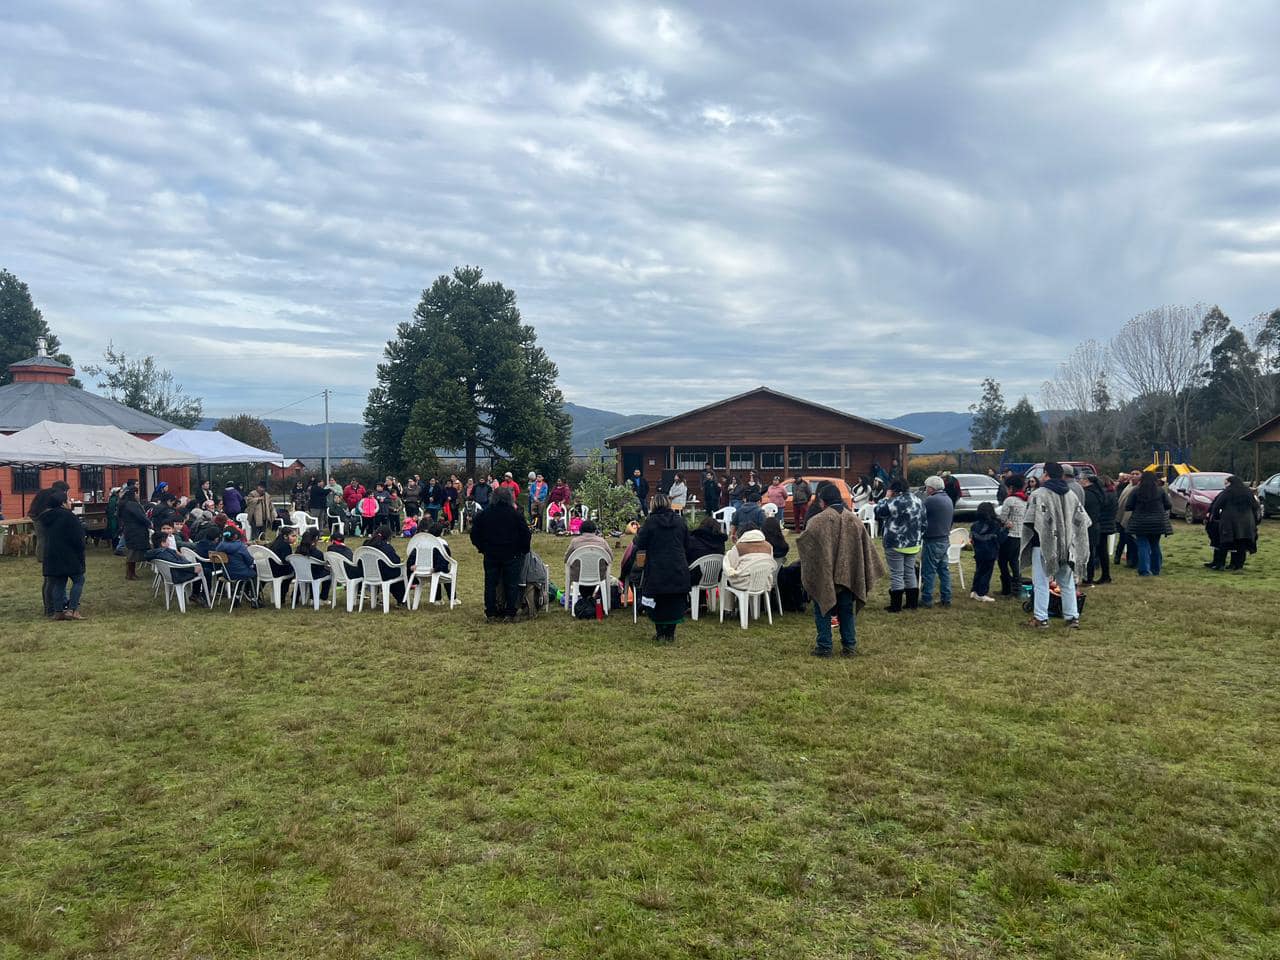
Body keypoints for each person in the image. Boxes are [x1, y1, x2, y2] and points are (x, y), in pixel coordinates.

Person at [798, 483, 885, 657]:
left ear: (822, 502)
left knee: (823, 608)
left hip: (824, 574)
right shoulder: (854, 520)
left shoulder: (816, 522)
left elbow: (804, 544)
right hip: (849, 576)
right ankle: (849, 646)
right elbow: (865, 548)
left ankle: (824, 647)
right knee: (846, 610)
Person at [1019, 461, 1090, 628]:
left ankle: (1041, 618)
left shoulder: (1039, 494)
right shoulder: (1071, 495)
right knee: (1066, 582)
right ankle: (1072, 617)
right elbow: (1081, 520)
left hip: (1043, 545)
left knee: (1041, 582)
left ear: (1046, 474)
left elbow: (1030, 521)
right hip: (1066, 546)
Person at [629, 494, 691, 641]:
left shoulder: (650, 523)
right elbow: (688, 543)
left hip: (657, 569)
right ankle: (670, 633)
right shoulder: (680, 521)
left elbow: (640, 543)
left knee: (657, 601)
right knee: (675, 601)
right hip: (678, 567)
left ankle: (660, 633)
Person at [469, 487, 531, 621]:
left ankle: (491, 612)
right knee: (512, 584)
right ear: (510, 498)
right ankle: (510, 613)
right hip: (512, 554)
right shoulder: (515, 515)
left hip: (491, 553)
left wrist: (482, 548)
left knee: (490, 583)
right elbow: (526, 534)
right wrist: (523, 550)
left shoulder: (485, 514)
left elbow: (474, 534)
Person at [874, 478, 925, 612]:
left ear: (894, 490)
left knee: (897, 573)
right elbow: (924, 522)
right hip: (913, 543)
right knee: (909, 572)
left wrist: (885, 497)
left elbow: (878, 511)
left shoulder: (894, 501)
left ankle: (895, 605)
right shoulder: (918, 500)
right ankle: (911, 603)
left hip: (895, 542)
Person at [37, 491, 87, 620]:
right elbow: (78, 537)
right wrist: (81, 550)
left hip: (52, 554)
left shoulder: (46, 518)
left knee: (59, 582)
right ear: (63, 503)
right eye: (68, 500)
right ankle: (72, 609)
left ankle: (58, 611)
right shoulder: (69, 517)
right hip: (70, 554)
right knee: (79, 580)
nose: (70, 503)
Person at [28, 480, 72, 614]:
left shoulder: (38, 513)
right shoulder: (48, 516)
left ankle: (51, 606)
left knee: (49, 579)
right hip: (50, 548)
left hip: (42, 547)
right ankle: (50, 607)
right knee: (52, 580)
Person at [1205, 475, 1258, 571]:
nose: (1225, 486)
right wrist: (1255, 520)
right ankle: (1237, 565)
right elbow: (1255, 506)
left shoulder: (1228, 492)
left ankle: (1220, 563)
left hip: (1229, 521)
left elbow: (1218, 505)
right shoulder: (1247, 491)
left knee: (1225, 542)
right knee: (1241, 544)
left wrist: (1215, 517)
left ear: (1230, 483)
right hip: (1246, 522)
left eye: (1226, 483)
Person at [919, 476, 955, 608]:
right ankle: (946, 598)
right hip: (944, 538)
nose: (926, 490)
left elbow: (920, 514)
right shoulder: (948, 499)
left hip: (933, 540)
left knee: (928, 571)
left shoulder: (931, 500)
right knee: (943, 570)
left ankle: (926, 599)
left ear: (931, 488)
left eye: (926, 487)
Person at [1127, 472, 1171, 576]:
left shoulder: (1136, 491)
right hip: (1158, 522)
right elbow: (1168, 505)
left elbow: (1128, 506)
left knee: (1142, 545)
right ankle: (1156, 569)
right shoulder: (1160, 491)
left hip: (1140, 522)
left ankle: (1144, 570)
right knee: (1155, 545)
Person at [996, 474, 1028, 597]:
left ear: (1011, 487)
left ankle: (1006, 589)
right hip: (1020, 536)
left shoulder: (1009, 500)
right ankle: (1017, 589)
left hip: (1009, 536)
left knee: (1003, 562)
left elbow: (1003, 518)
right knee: (1014, 562)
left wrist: (999, 519)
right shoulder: (1025, 499)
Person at [1082, 473, 1116, 585]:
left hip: (1099, 524)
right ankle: (1104, 574)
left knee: (1094, 551)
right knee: (1102, 550)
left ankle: (1092, 575)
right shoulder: (1104, 494)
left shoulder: (1092, 495)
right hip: (1102, 524)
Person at [215, 527, 261, 606]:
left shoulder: (220, 546)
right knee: (253, 575)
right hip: (241, 572)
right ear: (236, 536)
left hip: (227, 573)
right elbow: (249, 561)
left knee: (240, 576)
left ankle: (236, 598)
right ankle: (254, 599)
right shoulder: (240, 546)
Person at [968, 502, 1005, 602]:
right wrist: (1006, 530)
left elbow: (971, 539)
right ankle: (982, 593)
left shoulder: (974, 525)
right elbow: (1000, 539)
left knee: (979, 571)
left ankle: (974, 590)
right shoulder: (994, 525)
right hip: (990, 553)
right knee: (986, 573)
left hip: (978, 552)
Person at [365, 526, 408, 605]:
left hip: (367, 574)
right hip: (384, 575)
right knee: (398, 575)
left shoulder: (365, 545)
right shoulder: (386, 547)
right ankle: (402, 600)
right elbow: (395, 561)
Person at [119, 488, 151, 581]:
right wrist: (148, 523)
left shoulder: (125, 504)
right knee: (132, 553)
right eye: (137, 493)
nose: (138, 495)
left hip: (130, 530)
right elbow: (141, 516)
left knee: (132, 551)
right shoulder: (132, 505)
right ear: (134, 494)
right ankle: (130, 574)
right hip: (135, 530)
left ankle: (132, 573)